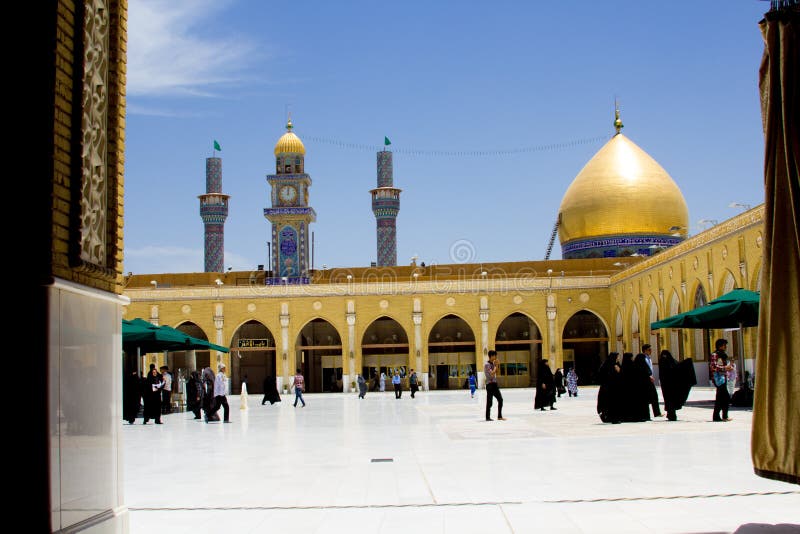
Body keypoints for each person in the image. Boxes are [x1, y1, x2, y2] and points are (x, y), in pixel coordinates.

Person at [657, 349, 696, 421]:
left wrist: (687, 362)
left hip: (671, 385)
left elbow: (678, 368)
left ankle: (671, 414)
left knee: (671, 400)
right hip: (666, 385)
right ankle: (670, 414)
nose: (664, 357)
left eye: (666, 356)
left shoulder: (670, 362)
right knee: (669, 400)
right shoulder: (665, 362)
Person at [597, 352, 623, 423]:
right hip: (608, 389)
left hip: (615, 388)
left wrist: (619, 371)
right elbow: (603, 376)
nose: (618, 358)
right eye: (617, 357)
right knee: (609, 403)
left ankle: (615, 417)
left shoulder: (617, 365)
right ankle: (610, 418)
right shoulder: (607, 366)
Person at [711, 339, 733, 422]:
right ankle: (721, 416)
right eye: (724, 345)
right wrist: (725, 368)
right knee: (724, 397)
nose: (726, 347)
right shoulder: (715, 355)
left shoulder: (723, 355)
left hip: (723, 377)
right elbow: (713, 367)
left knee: (721, 398)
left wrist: (728, 368)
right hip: (718, 379)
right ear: (720, 345)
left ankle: (719, 416)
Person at [638, 344, 662, 417]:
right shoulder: (642, 358)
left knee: (654, 396)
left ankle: (657, 413)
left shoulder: (649, 358)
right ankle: (645, 413)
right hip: (645, 381)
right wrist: (648, 375)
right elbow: (643, 368)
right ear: (645, 350)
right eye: (649, 350)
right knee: (646, 397)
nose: (651, 351)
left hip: (650, 380)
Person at [484, 350, 505, 421]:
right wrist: (496, 366)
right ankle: (487, 417)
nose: (496, 357)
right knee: (489, 402)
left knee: (500, 399)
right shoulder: (487, 364)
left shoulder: (493, 364)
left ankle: (499, 416)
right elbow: (492, 374)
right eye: (495, 355)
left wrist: (497, 365)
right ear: (492, 356)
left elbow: (497, 372)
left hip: (494, 384)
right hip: (490, 385)